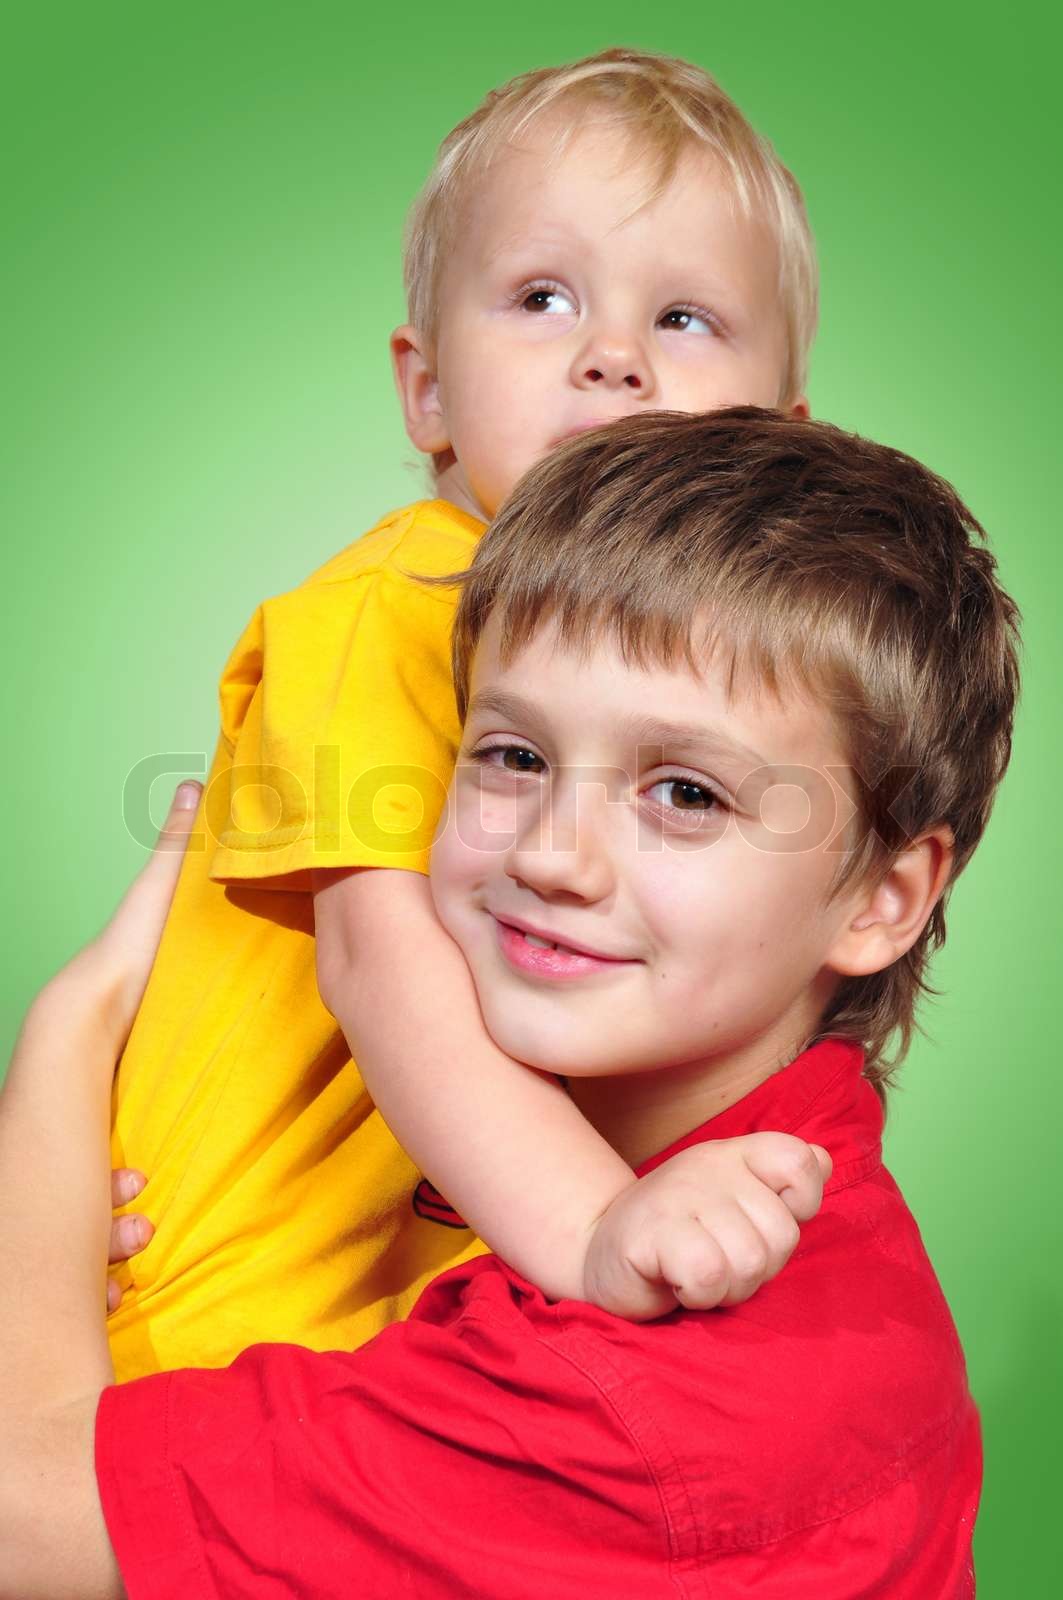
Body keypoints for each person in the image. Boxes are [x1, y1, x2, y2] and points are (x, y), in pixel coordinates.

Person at [0, 409, 1018, 1596]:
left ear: (881, 899)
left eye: (685, 791)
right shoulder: (495, 1173)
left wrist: (63, 1052)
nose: (550, 856)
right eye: (513, 757)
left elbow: (22, 1522)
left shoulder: (639, 1398)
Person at [105, 47, 826, 1380]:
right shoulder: (393, 604)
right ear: (427, 390)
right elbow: (385, 968)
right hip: (232, 1314)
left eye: (681, 320)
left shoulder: (715, 671)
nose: (611, 358)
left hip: (426, 1316)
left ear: (776, 443)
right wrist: (600, 1226)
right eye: (542, 298)